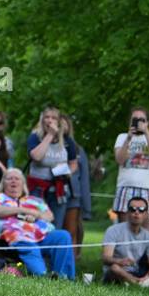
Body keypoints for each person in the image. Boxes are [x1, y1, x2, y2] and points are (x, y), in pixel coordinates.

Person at [0, 168, 75, 279]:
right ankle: (41, 276)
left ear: (23, 183)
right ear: (3, 183)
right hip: (17, 236)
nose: (13, 181)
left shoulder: (34, 200)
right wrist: (24, 210)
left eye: (17, 179)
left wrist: (35, 216)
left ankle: (63, 277)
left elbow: (49, 216)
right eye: (9, 178)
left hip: (40, 235)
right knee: (26, 241)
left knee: (63, 236)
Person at [25, 106, 78, 227]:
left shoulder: (66, 140)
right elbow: (36, 156)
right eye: (47, 117)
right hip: (37, 188)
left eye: (54, 118)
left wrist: (68, 172)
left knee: (55, 225)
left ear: (58, 121)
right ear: (42, 120)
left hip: (59, 189)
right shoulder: (35, 137)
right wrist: (49, 135)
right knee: (36, 224)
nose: (50, 120)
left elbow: (73, 163)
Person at [113, 106, 149, 220]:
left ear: (148, 122)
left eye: (142, 120)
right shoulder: (122, 137)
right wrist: (129, 138)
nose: (138, 122)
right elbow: (119, 160)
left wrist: (146, 132)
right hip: (126, 186)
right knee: (124, 229)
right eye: (135, 119)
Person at [101, 196, 149, 285]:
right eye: (132, 209)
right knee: (114, 267)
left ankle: (138, 281)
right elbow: (105, 258)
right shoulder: (113, 230)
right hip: (115, 273)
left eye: (141, 209)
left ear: (146, 214)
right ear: (127, 212)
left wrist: (148, 276)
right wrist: (120, 261)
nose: (136, 212)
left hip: (137, 272)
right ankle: (136, 283)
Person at [61, 113, 91, 265]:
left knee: (71, 231)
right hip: (52, 194)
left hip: (73, 195)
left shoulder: (78, 150)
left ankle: (69, 266)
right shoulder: (47, 146)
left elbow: (84, 179)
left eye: (64, 123)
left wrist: (87, 207)